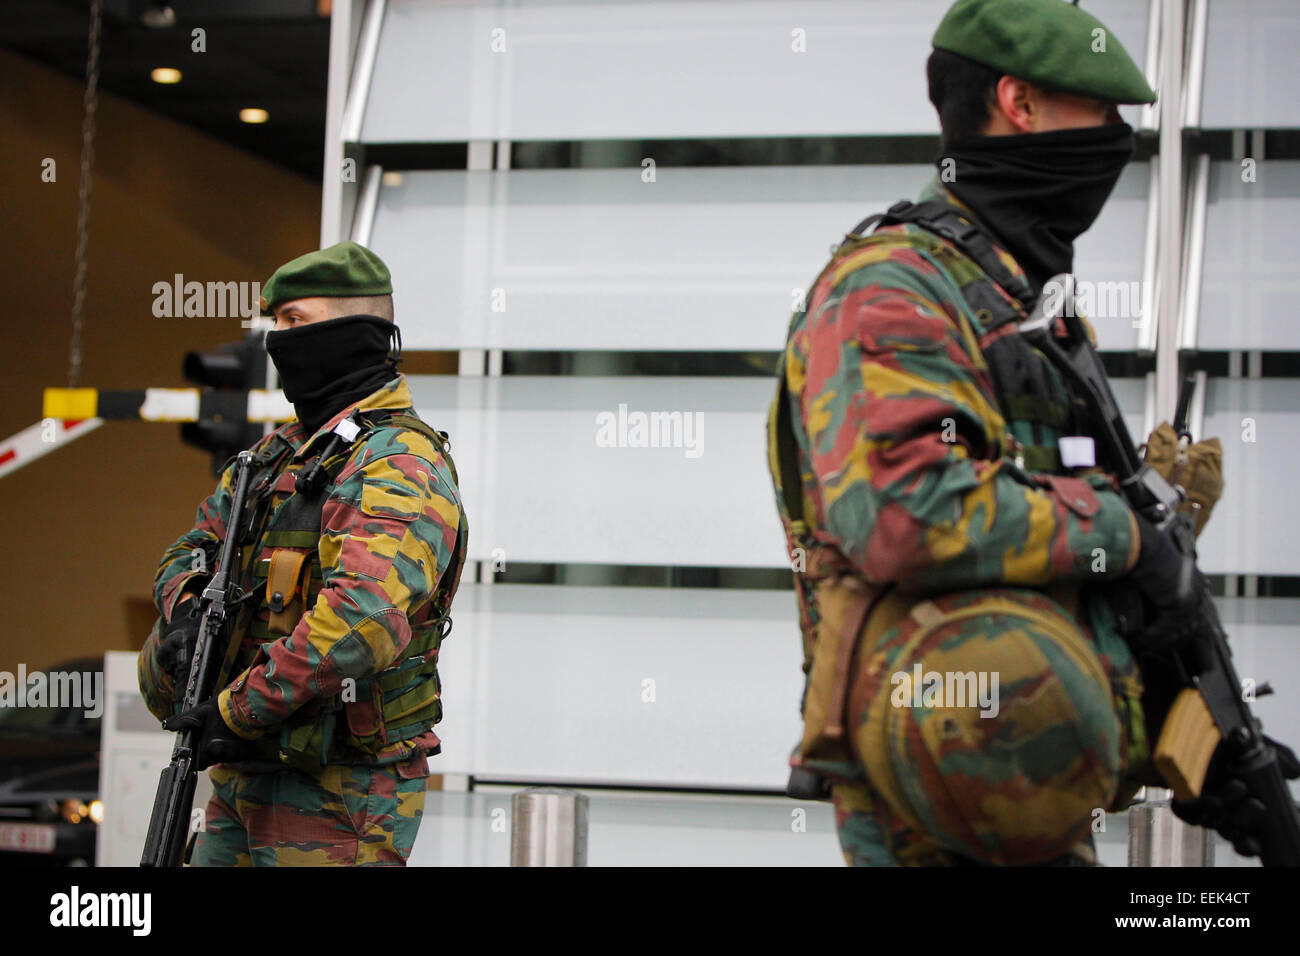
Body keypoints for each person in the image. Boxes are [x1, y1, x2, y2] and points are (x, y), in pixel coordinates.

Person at [768, 0, 1189, 866]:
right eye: (1100, 115)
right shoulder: (895, 289)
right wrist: (1123, 527)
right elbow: (906, 513)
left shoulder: (1013, 301)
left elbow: (1042, 546)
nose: (1115, 142)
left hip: (1029, 783)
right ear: (1021, 104)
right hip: (934, 800)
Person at [139, 241, 468, 866]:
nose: (278, 342)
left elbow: (362, 621)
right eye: (275, 323)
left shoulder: (396, 461)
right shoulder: (273, 459)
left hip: (340, 791)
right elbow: (192, 547)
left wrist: (233, 712)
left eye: (296, 323)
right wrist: (184, 614)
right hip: (245, 772)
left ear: (357, 332)